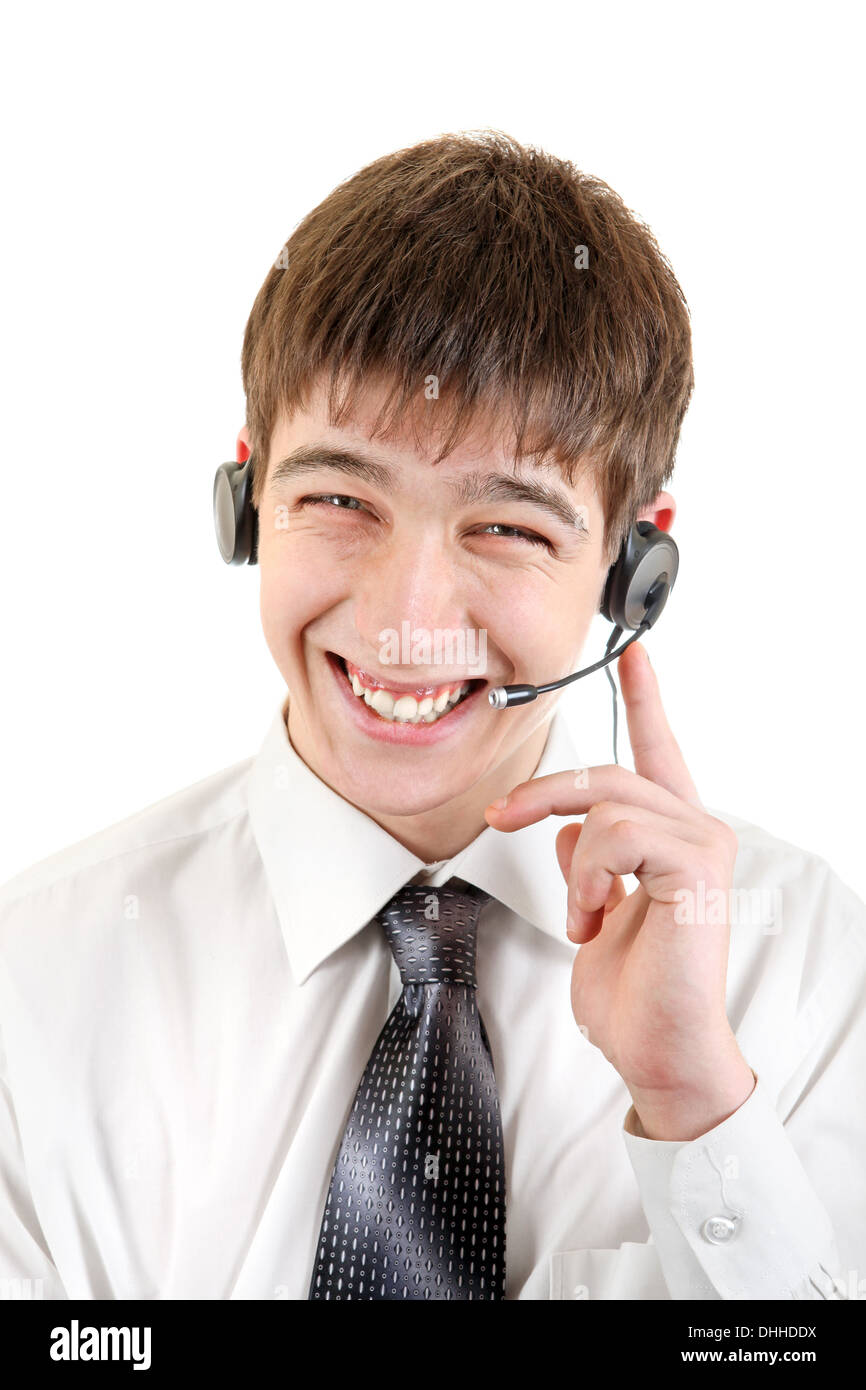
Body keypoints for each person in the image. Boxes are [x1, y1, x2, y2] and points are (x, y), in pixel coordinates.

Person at [1, 130, 864, 1301]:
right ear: (249, 500)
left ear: (629, 565)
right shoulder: (35, 986)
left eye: (507, 525)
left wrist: (695, 1105)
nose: (407, 613)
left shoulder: (803, 961)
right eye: (341, 497)